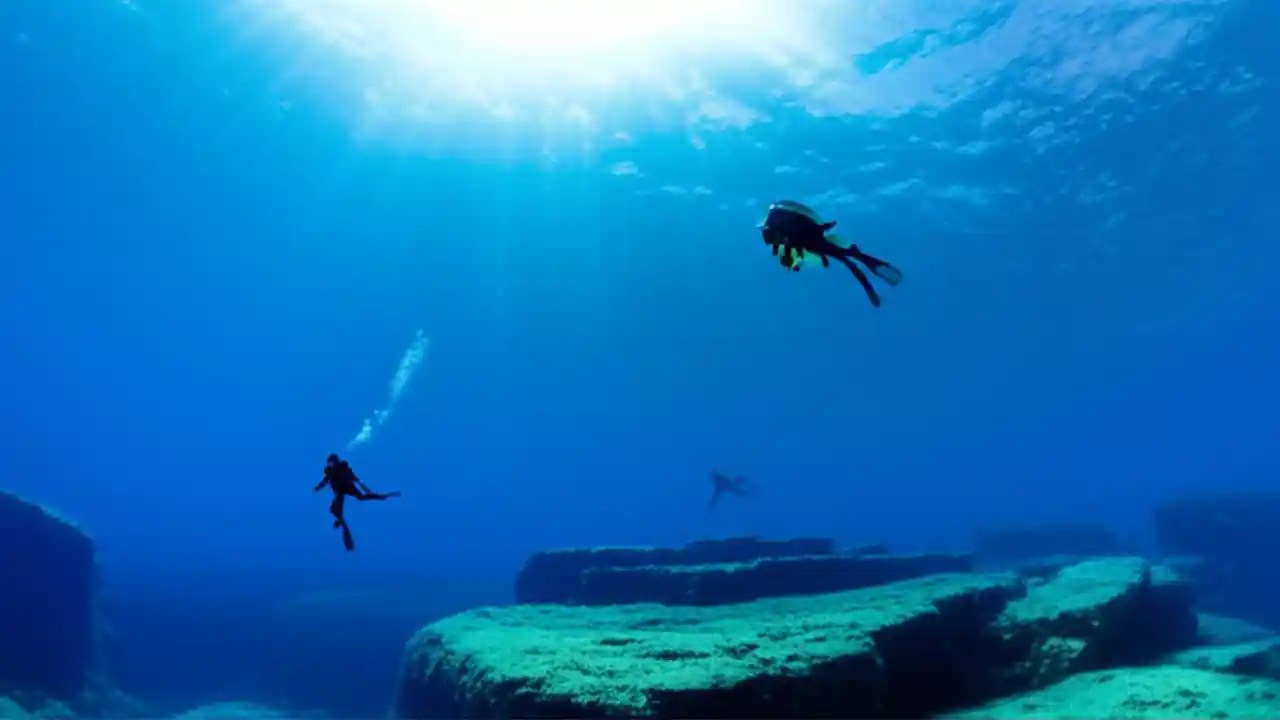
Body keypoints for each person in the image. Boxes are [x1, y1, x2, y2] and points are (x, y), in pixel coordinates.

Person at [758, 200, 903, 308]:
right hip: (811, 240)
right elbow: (793, 246)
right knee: (846, 258)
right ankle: (871, 275)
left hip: (811, 237)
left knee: (846, 258)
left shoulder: (779, 221)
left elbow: (800, 225)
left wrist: (822, 228)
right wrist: (797, 261)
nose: (777, 243)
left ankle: (871, 278)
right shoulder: (781, 234)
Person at [314, 453, 401, 551]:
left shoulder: (342, 468)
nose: (330, 464)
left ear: (335, 462)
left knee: (361, 497)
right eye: (329, 463)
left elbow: (353, 477)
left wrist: (364, 486)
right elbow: (325, 480)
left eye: (331, 462)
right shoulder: (329, 471)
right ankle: (343, 525)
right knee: (334, 510)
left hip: (347, 487)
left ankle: (382, 496)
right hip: (339, 491)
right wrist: (318, 487)